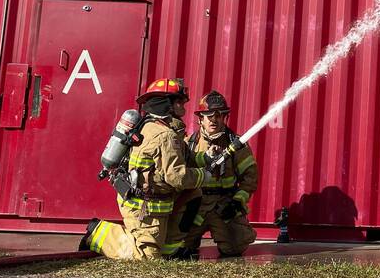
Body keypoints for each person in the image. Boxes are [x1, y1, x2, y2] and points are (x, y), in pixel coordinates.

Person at [80, 78, 205, 260]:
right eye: (178, 101)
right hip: (142, 206)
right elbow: (177, 177)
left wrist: (207, 159)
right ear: (166, 105)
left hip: (159, 203)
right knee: (146, 257)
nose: (184, 105)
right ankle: (97, 234)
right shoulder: (165, 135)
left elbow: (184, 158)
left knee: (193, 194)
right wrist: (205, 175)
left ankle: (169, 252)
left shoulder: (154, 127)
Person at [169, 90, 258, 260]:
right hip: (196, 206)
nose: (213, 120)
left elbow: (250, 178)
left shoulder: (236, 144)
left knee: (234, 248)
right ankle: (188, 240)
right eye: (208, 116)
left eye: (219, 115)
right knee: (179, 249)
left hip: (223, 206)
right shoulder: (190, 143)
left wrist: (237, 202)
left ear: (224, 117)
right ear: (200, 119)